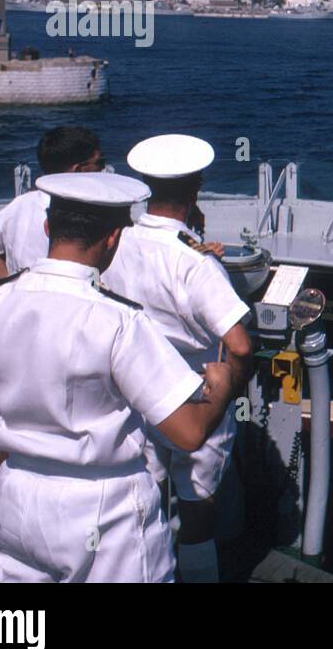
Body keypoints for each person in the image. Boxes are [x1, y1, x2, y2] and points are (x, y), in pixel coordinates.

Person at [0, 172, 241, 582]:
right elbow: (188, 433)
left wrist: (4, 400)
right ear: (112, 239)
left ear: (48, 227)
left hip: (19, 501)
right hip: (106, 513)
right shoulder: (119, 321)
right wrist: (223, 387)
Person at [101, 134, 252, 583]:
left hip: (137, 388)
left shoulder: (117, 243)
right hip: (196, 392)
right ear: (195, 192)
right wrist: (230, 387)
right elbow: (240, 344)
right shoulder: (195, 262)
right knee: (197, 505)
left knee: (143, 497)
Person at [0, 126, 104, 279]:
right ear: (77, 170)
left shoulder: (20, 204)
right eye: (100, 162)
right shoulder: (93, 214)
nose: (103, 169)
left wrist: (11, 281)